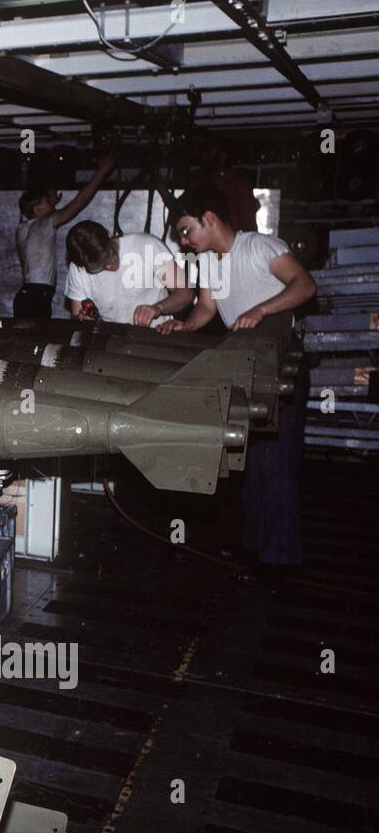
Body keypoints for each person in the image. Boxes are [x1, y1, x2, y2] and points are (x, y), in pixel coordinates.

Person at [162, 185, 317, 570]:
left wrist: (261, 311)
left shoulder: (260, 247)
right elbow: (206, 309)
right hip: (244, 363)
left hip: (280, 362)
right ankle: (254, 548)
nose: (185, 242)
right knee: (249, 460)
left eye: (186, 231)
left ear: (209, 219)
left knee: (277, 464)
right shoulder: (210, 263)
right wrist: (182, 326)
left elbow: (305, 285)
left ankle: (280, 559)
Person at [14, 152, 115, 318]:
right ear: (37, 209)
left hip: (26, 294)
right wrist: (102, 172)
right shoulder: (45, 223)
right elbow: (79, 203)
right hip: (38, 295)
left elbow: (28, 203)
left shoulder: (22, 228)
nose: (53, 203)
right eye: (48, 201)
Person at [63, 221, 193, 327]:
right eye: (99, 268)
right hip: (110, 340)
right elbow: (76, 315)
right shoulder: (77, 268)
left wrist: (158, 308)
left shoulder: (146, 245)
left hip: (155, 335)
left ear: (109, 235)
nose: (110, 266)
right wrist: (83, 320)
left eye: (110, 256)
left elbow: (186, 293)